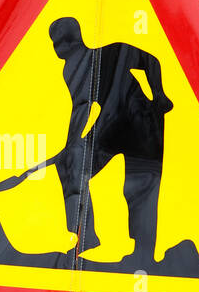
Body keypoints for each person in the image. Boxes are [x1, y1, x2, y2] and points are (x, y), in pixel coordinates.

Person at [48, 16, 172, 265]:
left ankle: (143, 253)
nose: (57, 49)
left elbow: (152, 60)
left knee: (140, 186)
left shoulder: (112, 52)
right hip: (112, 125)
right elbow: (80, 110)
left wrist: (158, 94)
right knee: (71, 167)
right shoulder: (70, 68)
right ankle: (86, 236)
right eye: (55, 43)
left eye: (60, 42)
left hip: (143, 122)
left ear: (75, 39)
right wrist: (70, 146)